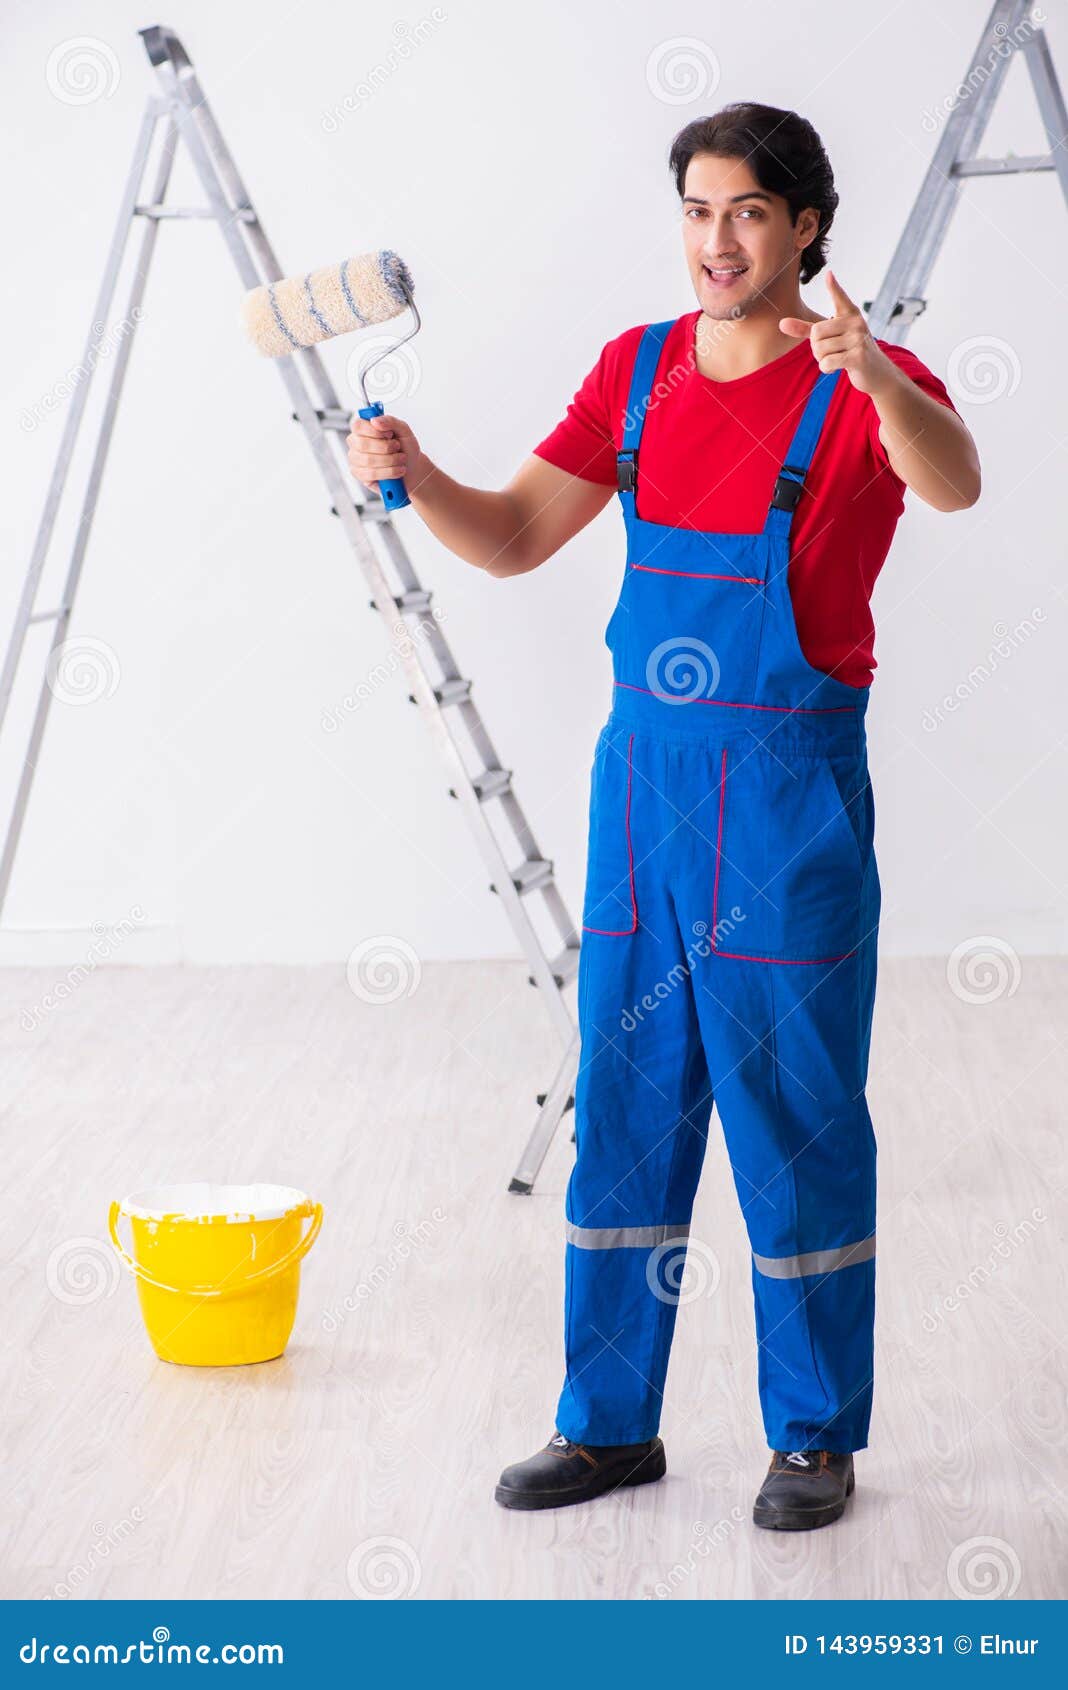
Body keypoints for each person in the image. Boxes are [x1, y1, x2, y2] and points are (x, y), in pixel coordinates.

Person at [346, 102, 981, 1533]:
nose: (718, 241)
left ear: (807, 226)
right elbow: (513, 534)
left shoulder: (861, 387)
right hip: (642, 792)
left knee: (797, 1112)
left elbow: (957, 480)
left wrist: (880, 377)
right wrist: (418, 471)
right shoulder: (638, 374)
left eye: (749, 212)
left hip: (784, 802)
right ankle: (607, 1424)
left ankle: (814, 1433)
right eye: (699, 210)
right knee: (626, 1105)